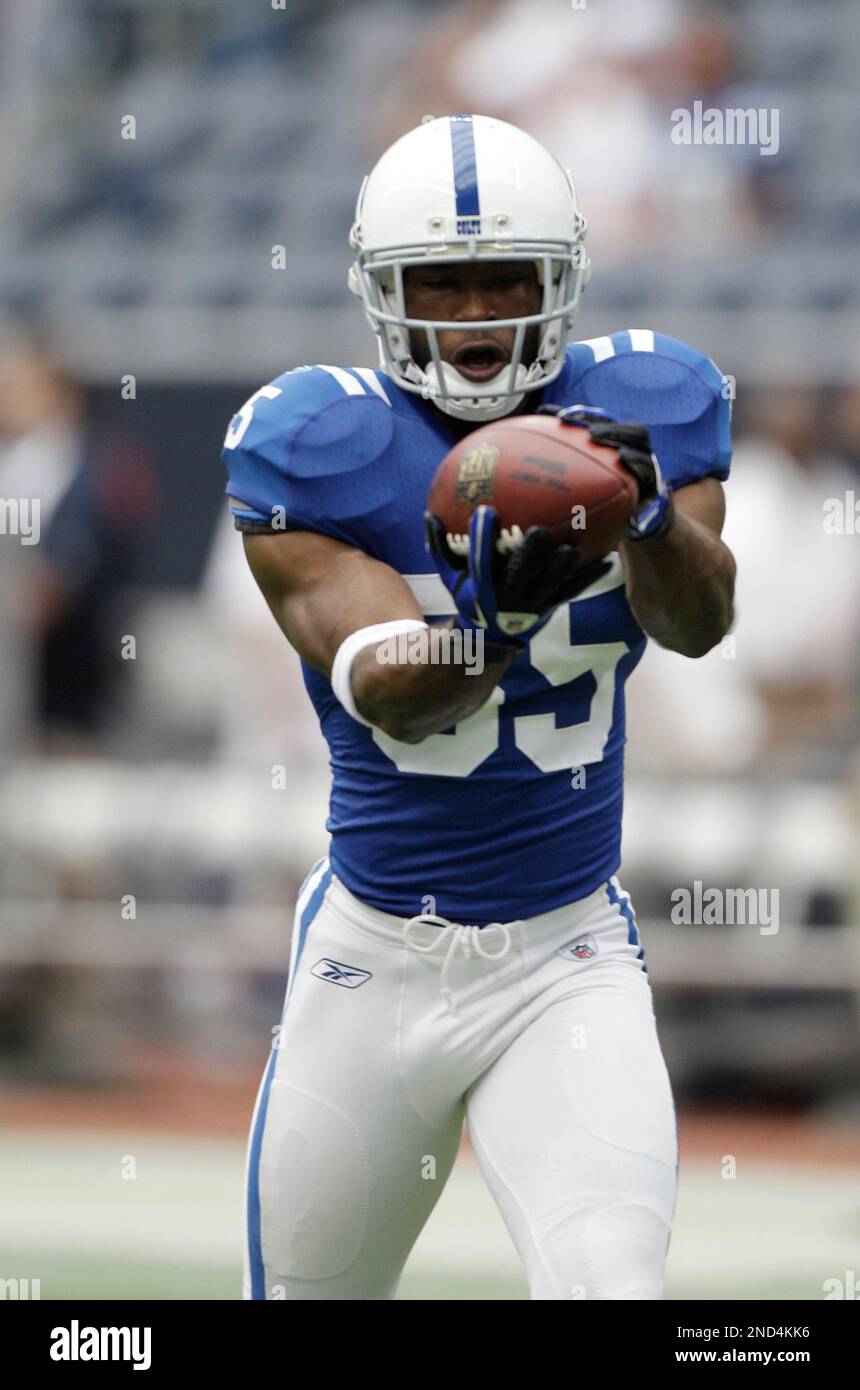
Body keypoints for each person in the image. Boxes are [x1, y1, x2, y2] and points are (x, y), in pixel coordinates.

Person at [221, 114, 736, 1300]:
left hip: (566, 954)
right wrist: (495, 624)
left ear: (560, 281)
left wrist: (646, 515)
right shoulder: (322, 443)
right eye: (438, 284)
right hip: (375, 951)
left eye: (500, 278)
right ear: (381, 292)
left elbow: (700, 622)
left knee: (614, 1289)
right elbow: (390, 696)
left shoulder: (649, 400)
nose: (472, 315)